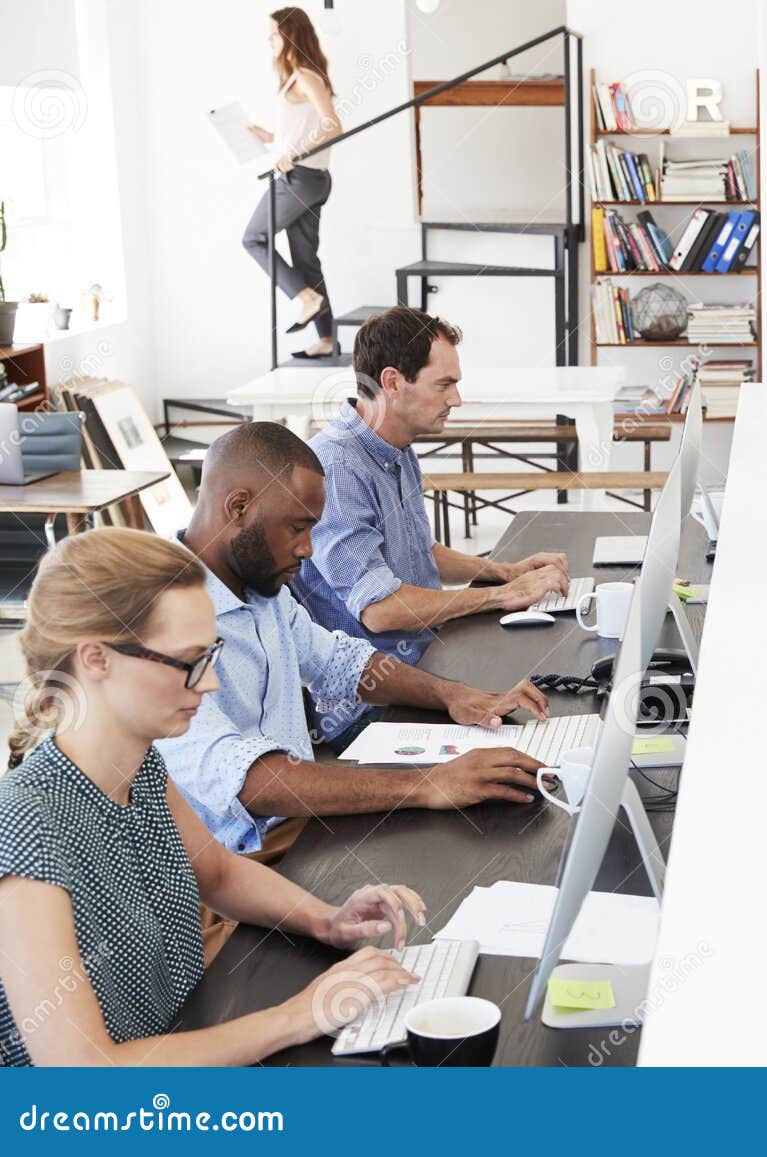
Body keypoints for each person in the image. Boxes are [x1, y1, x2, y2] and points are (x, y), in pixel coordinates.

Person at [0, 529, 423, 1066]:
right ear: (95, 659)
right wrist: (299, 1015)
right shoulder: (24, 825)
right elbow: (85, 1072)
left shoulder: (140, 764)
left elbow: (217, 873)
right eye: (188, 661)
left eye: (211, 657)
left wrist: (326, 920)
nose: (211, 684)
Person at [155, 422, 552, 881]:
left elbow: (342, 663)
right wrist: (429, 784)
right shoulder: (159, 617)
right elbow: (251, 781)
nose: (307, 549)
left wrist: (453, 694)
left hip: (298, 831)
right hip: (234, 869)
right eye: (297, 528)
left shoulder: (260, 588)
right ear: (239, 507)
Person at [293, 306, 570, 660]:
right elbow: (380, 609)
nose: (456, 399)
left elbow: (421, 552)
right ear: (392, 382)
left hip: (427, 649)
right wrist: (503, 594)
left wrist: (506, 572)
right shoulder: (337, 468)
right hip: (383, 692)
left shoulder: (397, 445)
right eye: (445, 385)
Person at [242, 8, 342, 359]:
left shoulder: (305, 76)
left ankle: (304, 297)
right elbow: (298, 129)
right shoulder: (291, 79)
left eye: (273, 34)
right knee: (306, 260)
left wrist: (294, 154)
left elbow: (332, 125)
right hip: (305, 178)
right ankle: (327, 339)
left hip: (301, 179)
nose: (268, 40)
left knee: (253, 238)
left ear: (290, 35)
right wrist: (269, 136)